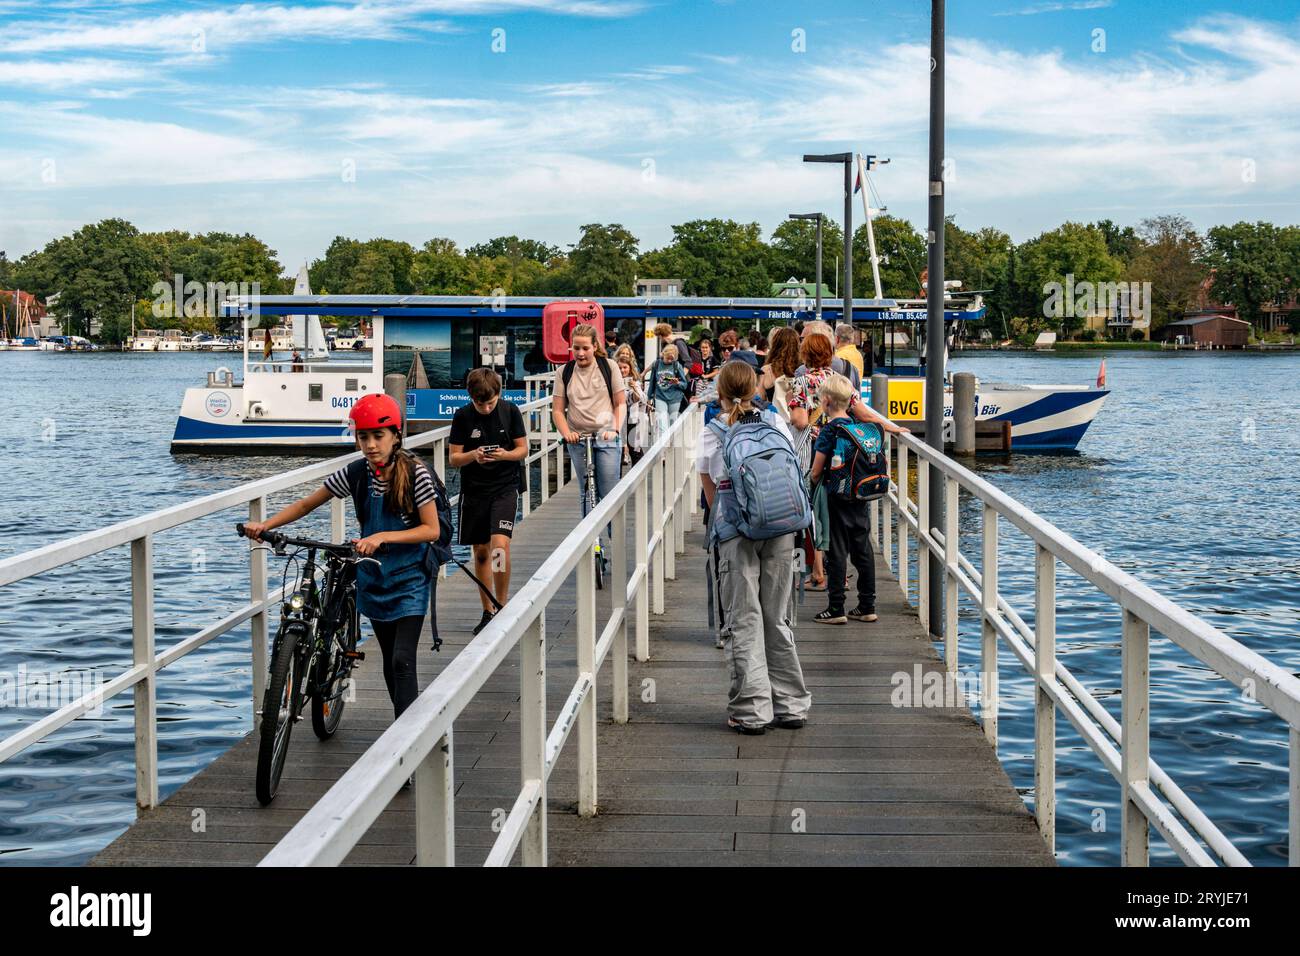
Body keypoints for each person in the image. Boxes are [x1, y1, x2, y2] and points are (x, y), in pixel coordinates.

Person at [241, 393, 441, 722]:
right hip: (375, 580)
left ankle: (407, 747)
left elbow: (431, 530)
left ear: (396, 435)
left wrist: (381, 536)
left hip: (409, 579)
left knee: (402, 661)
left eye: (378, 436)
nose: (371, 445)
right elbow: (307, 503)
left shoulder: (416, 474)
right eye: (363, 436)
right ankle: (403, 727)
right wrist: (266, 525)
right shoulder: (358, 472)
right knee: (392, 660)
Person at [697, 361, 812, 735]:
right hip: (781, 526)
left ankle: (752, 711)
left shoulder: (714, 431)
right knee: (777, 617)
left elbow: (711, 492)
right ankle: (791, 705)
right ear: (755, 389)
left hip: (736, 531)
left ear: (720, 393)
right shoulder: (775, 422)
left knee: (743, 618)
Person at [448, 368, 528, 635]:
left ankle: (501, 605)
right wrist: (475, 455)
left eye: (490, 402)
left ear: (499, 394)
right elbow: (454, 458)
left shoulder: (510, 411)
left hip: (505, 486)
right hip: (474, 490)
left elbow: (522, 449)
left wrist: (503, 455)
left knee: (499, 547)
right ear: (471, 397)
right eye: (479, 403)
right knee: (481, 551)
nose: (485, 408)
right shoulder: (462, 417)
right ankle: (487, 609)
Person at [809, 373, 878, 625]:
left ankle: (836, 607)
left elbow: (817, 470)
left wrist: (811, 487)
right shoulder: (858, 428)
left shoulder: (829, 430)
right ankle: (867, 605)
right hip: (860, 496)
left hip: (836, 497)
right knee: (863, 550)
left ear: (826, 401)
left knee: (836, 551)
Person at [552, 323, 626, 530]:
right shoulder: (563, 372)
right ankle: (590, 545)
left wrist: (614, 429)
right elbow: (558, 410)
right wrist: (567, 433)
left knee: (609, 491)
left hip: (606, 436)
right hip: (578, 439)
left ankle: (614, 536)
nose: (580, 353)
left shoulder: (608, 366)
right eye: (576, 348)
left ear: (595, 346)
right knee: (587, 492)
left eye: (585, 348)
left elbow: (620, 403)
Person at [798, 320, 860, 392]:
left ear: (816, 342)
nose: (800, 343)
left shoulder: (801, 372)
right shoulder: (851, 368)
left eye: (803, 339)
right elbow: (858, 400)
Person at [616, 351, 649, 468]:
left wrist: (634, 388)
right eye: (619, 368)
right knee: (617, 452)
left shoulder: (636, 382)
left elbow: (642, 399)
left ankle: (639, 476)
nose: (622, 370)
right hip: (618, 420)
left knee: (635, 450)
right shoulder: (613, 382)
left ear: (630, 368)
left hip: (633, 419)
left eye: (624, 367)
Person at [760, 326, 802, 416]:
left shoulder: (767, 370)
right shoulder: (802, 370)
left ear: (775, 345)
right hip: (797, 418)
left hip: (774, 421)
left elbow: (760, 398)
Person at [648, 343, 688, 434]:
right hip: (660, 397)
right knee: (662, 424)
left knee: (672, 425)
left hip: (675, 398)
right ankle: (664, 446)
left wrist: (677, 383)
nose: (670, 361)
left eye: (672, 359)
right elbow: (652, 382)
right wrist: (649, 397)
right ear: (663, 355)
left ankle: (671, 445)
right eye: (668, 358)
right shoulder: (657, 364)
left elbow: (684, 385)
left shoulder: (677, 365)